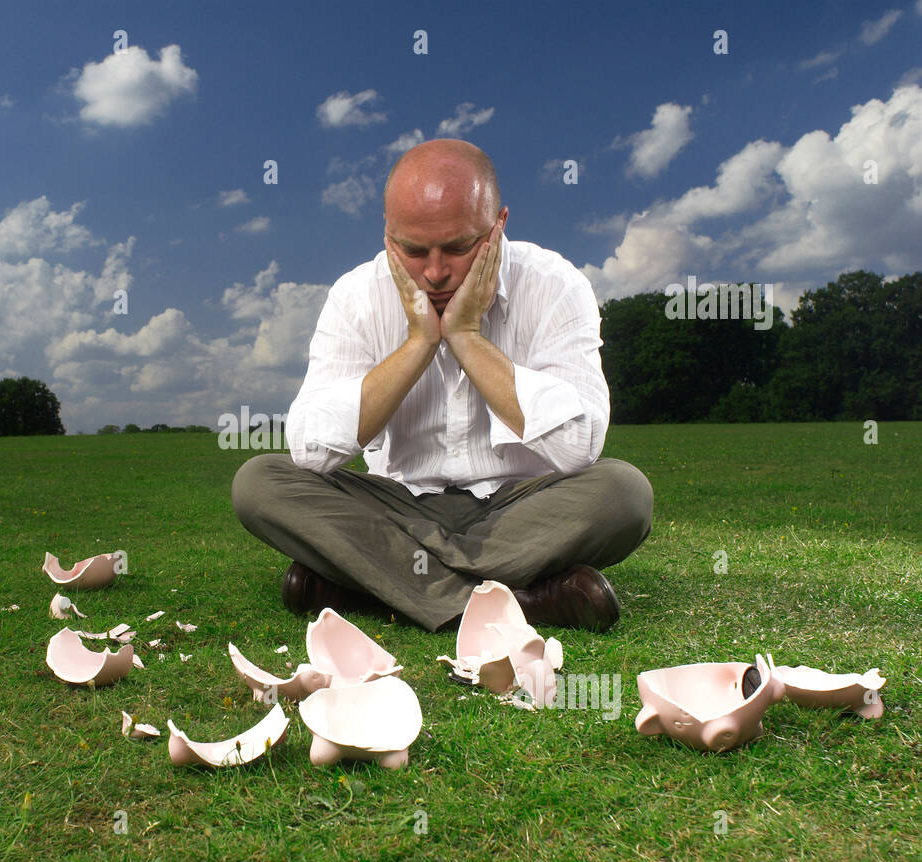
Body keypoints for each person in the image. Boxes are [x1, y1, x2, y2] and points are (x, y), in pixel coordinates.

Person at [231, 139, 653, 632]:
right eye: (412, 250)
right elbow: (311, 452)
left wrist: (467, 338)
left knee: (623, 494)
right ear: (388, 237)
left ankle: (365, 585)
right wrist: (418, 344)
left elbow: (578, 449)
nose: (434, 273)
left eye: (458, 247)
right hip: (397, 505)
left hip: (521, 508)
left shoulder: (558, 286)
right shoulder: (355, 296)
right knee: (259, 483)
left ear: (499, 226)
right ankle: (525, 603)